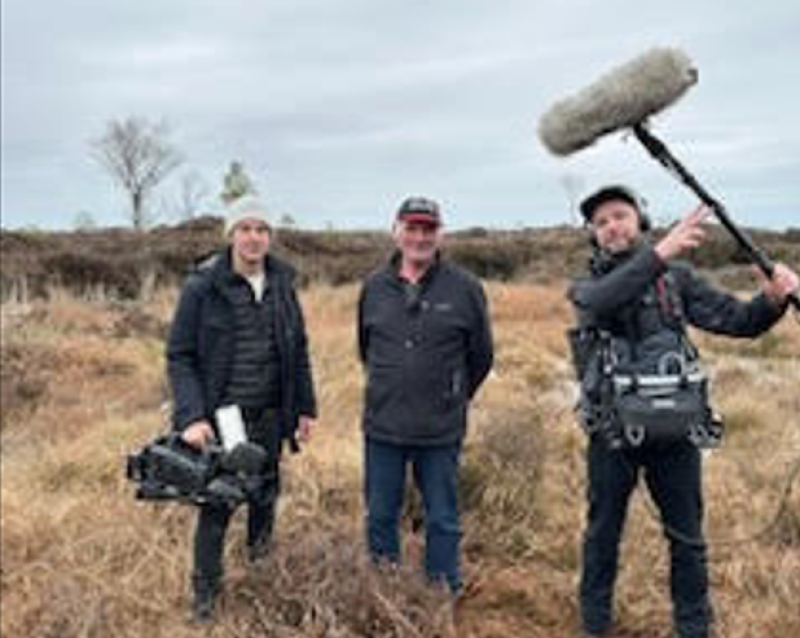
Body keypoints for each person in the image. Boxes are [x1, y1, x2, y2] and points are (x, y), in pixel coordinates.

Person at [569, 185, 799, 638]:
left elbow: (737, 321)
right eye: (601, 222)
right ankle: (594, 625)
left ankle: (693, 627)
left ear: (640, 219)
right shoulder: (588, 285)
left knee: (688, 539)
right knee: (602, 534)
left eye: (620, 215)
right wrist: (661, 252)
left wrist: (771, 300)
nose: (612, 226)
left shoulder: (676, 278)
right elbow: (601, 303)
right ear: (593, 236)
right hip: (612, 433)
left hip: (676, 430)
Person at [166, 195, 317, 622]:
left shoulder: (282, 284)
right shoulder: (203, 287)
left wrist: (304, 408)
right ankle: (206, 603)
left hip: (271, 413)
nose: (254, 237)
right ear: (231, 234)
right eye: (245, 228)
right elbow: (180, 356)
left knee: (265, 497)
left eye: (262, 229)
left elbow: (298, 349)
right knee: (219, 503)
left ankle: (261, 576)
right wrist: (192, 417)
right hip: (225, 417)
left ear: (270, 237)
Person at [357, 196, 494, 594]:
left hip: (440, 428)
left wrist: (452, 395)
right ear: (396, 231)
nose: (419, 237)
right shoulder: (373, 288)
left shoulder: (466, 288)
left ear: (440, 235)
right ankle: (387, 594)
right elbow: (366, 348)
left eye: (428, 230)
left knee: (443, 519)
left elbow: (481, 357)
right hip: (382, 426)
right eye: (411, 228)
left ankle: (442, 593)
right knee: (381, 516)